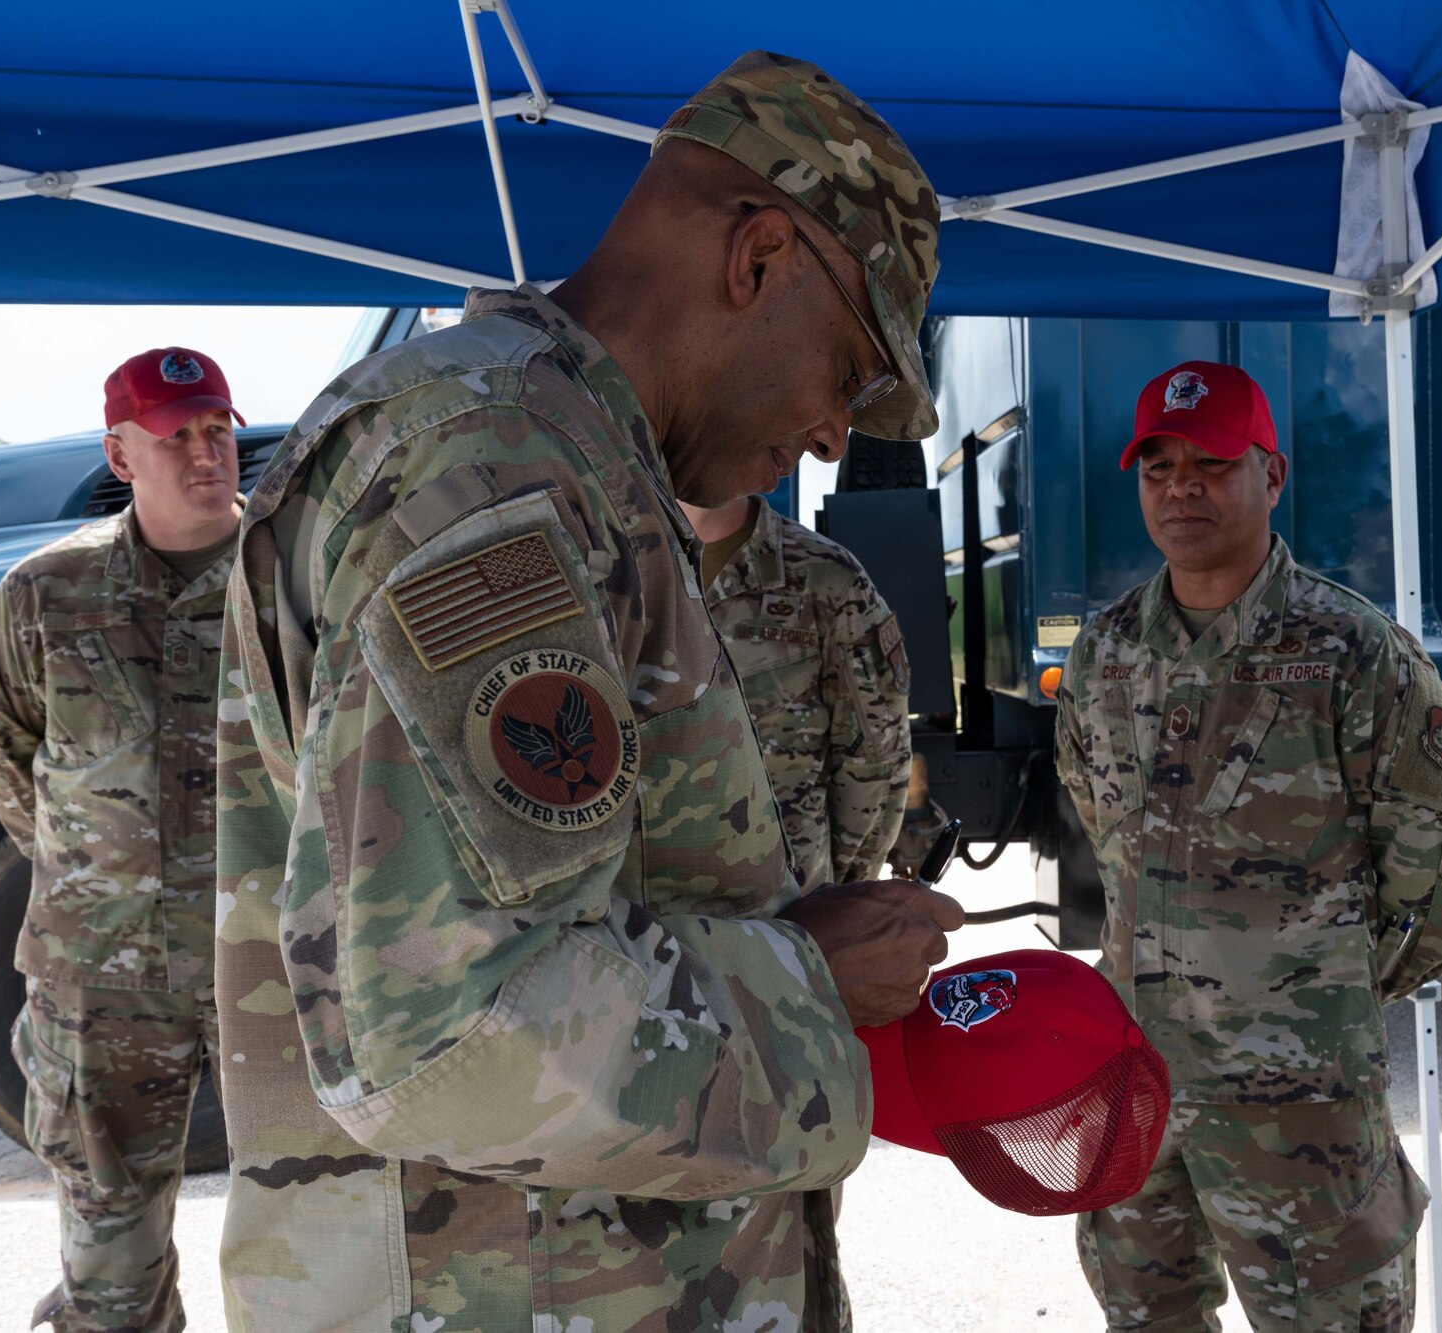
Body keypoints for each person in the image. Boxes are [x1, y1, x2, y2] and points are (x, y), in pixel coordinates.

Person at [213, 51, 962, 1331]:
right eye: (848, 367)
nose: (840, 431)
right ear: (759, 257)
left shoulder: (557, 453)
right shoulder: (494, 460)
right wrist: (804, 980)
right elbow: (455, 1030)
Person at [1055, 360, 1442, 1332]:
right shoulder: (1106, 649)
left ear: (1271, 475)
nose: (1180, 487)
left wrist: (1318, 990)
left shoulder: (1350, 649)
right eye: (1156, 466)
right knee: (1145, 1313)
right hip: (1137, 1083)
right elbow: (1099, 817)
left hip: (1298, 1103)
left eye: (1210, 462)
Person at [0, 347, 245, 1331]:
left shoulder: (297, 582)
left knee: (323, 1238)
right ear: (122, 454)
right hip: (103, 978)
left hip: (282, 968)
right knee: (111, 1261)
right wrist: (102, 872)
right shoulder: (47, 594)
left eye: (219, 430)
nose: (208, 454)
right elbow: (2, 746)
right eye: (178, 437)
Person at [682, 494, 912, 894]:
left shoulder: (825, 579)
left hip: (780, 921)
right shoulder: (604, 563)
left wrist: (833, 903)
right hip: (625, 930)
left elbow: (876, 758)